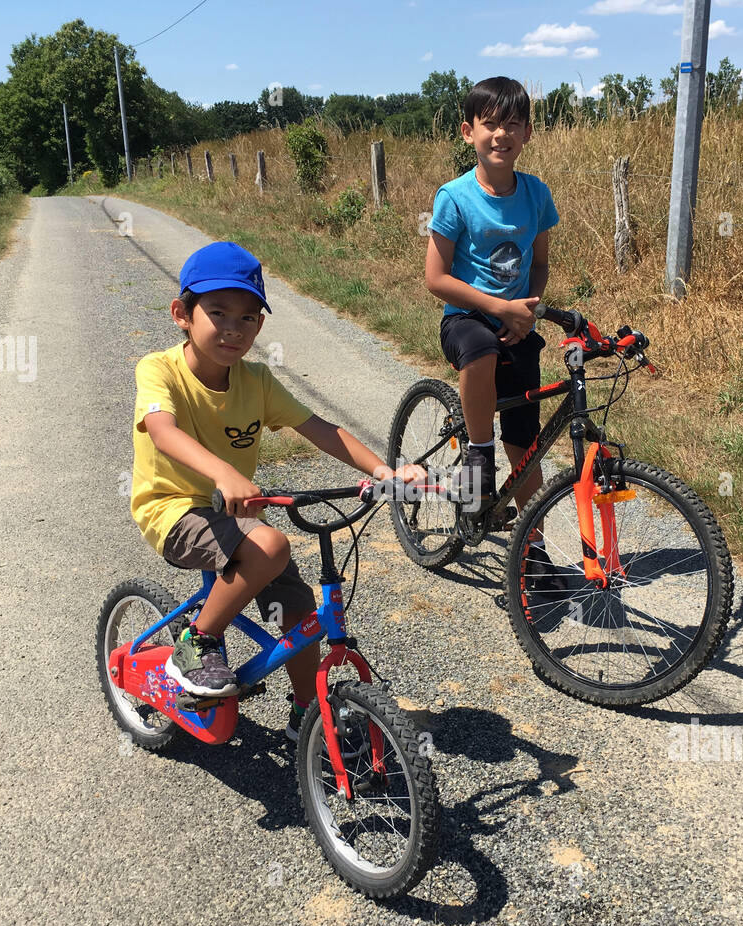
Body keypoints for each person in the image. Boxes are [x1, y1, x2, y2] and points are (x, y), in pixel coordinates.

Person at [131, 242, 423, 740]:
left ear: (260, 327)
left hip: (235, 514)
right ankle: (195, 640)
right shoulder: (159, 370)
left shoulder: (258, 381)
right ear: (182, 313)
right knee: (270, 544)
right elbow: (162, 430)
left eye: (247, 317)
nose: (232, 328)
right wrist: (224, 473)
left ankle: (306, 712)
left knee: (300, 607)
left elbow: (321, 428)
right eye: (217, 312)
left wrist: (385, 471)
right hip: (174, 510)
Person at [424, 75, 563, 589]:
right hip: (466, 317)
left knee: (527, 444)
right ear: (468, 131)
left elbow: (540, 263)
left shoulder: (535, 195)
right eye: (490, 124)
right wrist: (498, 307)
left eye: (513, 124)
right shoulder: (454, 197)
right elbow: (436, 278)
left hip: (517, 321)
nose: (501, 134)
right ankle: (478, 455)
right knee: (479, 350)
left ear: (527, 134)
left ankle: (535, 549)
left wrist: (527, 308)